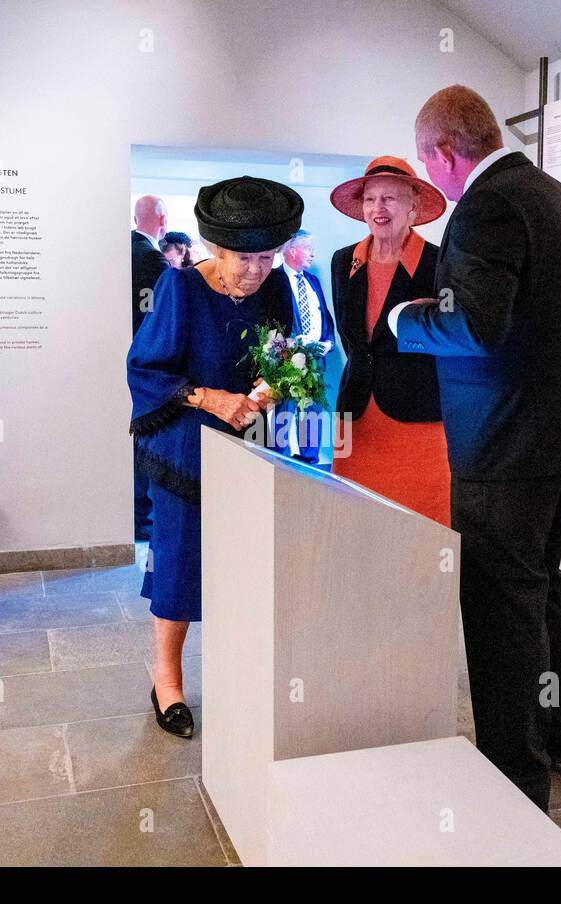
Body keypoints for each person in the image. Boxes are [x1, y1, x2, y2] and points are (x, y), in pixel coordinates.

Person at [389, 84, 561, 811]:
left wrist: (404, 320)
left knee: (499, 611)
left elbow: (473, 326)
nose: (434, 183)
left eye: (430, 167)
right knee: (542, 589)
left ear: (446, 153)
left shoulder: (485, 207)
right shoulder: (551, 195)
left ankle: (515, 782)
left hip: (505, 445)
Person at [128, 176, 300, 739]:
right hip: (187, 449)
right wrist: (211, 399)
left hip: (252, 445)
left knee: (245, 564)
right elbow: (145, 368)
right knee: (179, 561)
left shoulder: (276, 288)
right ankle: (168, 681)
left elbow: (285, 354)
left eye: (267, 257)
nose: (255, 270)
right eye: (243, 258)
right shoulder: (179, 288)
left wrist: (272, 385)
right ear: (214, 250)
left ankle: (238, 673)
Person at [328, 155, 450, 525]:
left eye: (390, 199)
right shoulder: (342, 261)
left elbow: (448, 338)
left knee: (420, 527)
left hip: (419, 418)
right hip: (358, 417)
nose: (378, 209)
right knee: (357, 522)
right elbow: (352, 341)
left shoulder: (439, 262)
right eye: (370, 199)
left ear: (413, 206)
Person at [272, 229, 334, 465]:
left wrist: (328, 343)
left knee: (313, 413)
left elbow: (324, 316)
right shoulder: (273, 280)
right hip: (285, 360)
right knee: (284, 414)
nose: (312, 254)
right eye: (308, 248)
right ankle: (280, 463)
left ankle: (310, 462)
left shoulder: (313, 281)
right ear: (293, 250)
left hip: (316, 361)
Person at [131, 195, 169, 540]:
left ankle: (137, 514)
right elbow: (162, 317)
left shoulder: (127, 248)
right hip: (149, 364)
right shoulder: (152, 258)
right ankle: (141, 518)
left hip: (131, 357)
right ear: (161, 221)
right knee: (144, 441)